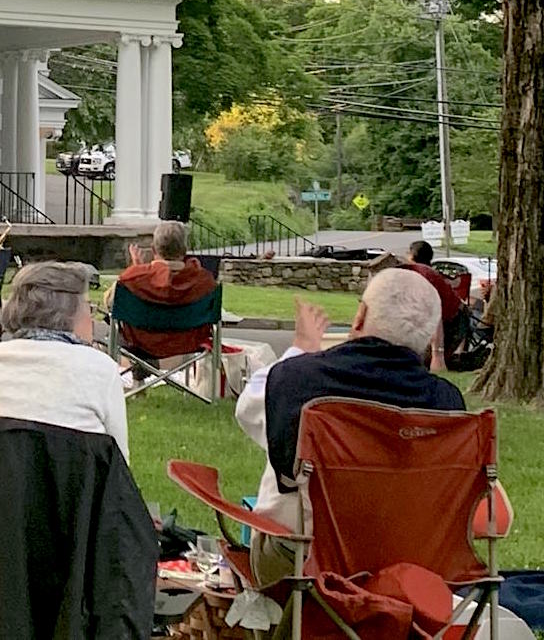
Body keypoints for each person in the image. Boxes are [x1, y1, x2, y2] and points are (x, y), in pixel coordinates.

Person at [236, 268, 463, 586]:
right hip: (408, 570)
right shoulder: (448, 405)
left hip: (302, 566)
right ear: (427, 338)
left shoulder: (298, 380)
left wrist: (300, 348)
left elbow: (248, 411)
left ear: (360, 317)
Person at [0, 261, 129, 461]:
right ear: (71, 314)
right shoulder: (101, 368)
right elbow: (119, 461)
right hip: (75, 488)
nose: (91, 318)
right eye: (88, 308)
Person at [110, 221, 218, 359]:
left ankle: (140, 372)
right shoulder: (205, 282)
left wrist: (136, 268)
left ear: (153, 249)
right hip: (188, 344)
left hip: (140, 343)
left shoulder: (131, 279)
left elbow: (112, 303)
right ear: (185, 250)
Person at [404, 239, 469, 360]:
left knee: (420, 360)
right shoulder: (422, 272)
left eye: (408, 252)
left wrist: (437, 353)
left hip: (452, 321)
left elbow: (435, 314)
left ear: (413, 255)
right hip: (448, 319)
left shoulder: (425, 276)